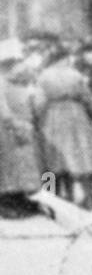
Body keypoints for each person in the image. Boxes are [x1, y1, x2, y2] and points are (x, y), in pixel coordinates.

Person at [33, 43, 92, 206]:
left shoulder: (44, 76)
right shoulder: (75, 75)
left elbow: (39, 102)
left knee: (53, 159)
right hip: (76, 115)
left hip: (53, 116)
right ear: (64, 59)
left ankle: (55, 197)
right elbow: (87, 98)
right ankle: (88, 196)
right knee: (82, 157)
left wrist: (39, 119)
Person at [0, 41, 44, 217]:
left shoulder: (13, 83)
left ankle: (17, 199)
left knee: (18, 167)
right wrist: (16, 123)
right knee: (15, 167)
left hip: (16, 127)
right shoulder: (10, 83)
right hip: (12, 128)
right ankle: (11, 202)